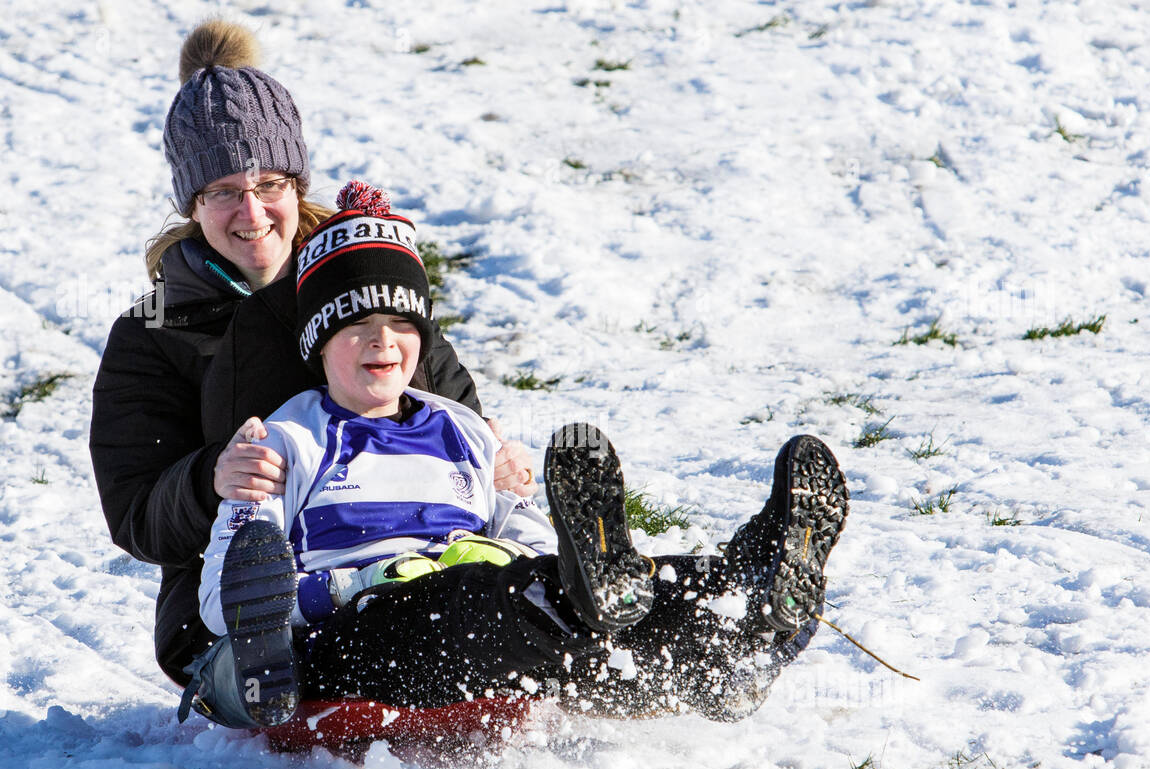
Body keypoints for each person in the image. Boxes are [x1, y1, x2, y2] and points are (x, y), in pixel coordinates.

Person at [183, 189, 850, 729]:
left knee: (618, 597)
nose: (380, 342)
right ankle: (628, 606)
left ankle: (742, 610)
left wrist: (525, 515)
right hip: (360, 631)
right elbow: (223, 602)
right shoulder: (285, 440)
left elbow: (525, 543)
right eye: (355, 327)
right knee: (501, 601)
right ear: (319, 344)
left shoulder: (464, 430)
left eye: (400, 325)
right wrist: (336, 589)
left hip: (498, 609)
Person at [89, 21, 534, 690]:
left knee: (467, 591)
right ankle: (263, 655)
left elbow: (453, 424)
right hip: (232, 609)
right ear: (191, 204)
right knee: (281, 641)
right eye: (221, 193)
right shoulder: (154, 330)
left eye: (269, 184)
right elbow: (136, 515)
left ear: (296, 187)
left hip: (414, 561)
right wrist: (216, 477)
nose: (252, 212)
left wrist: (499, 465)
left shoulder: (369, 287)